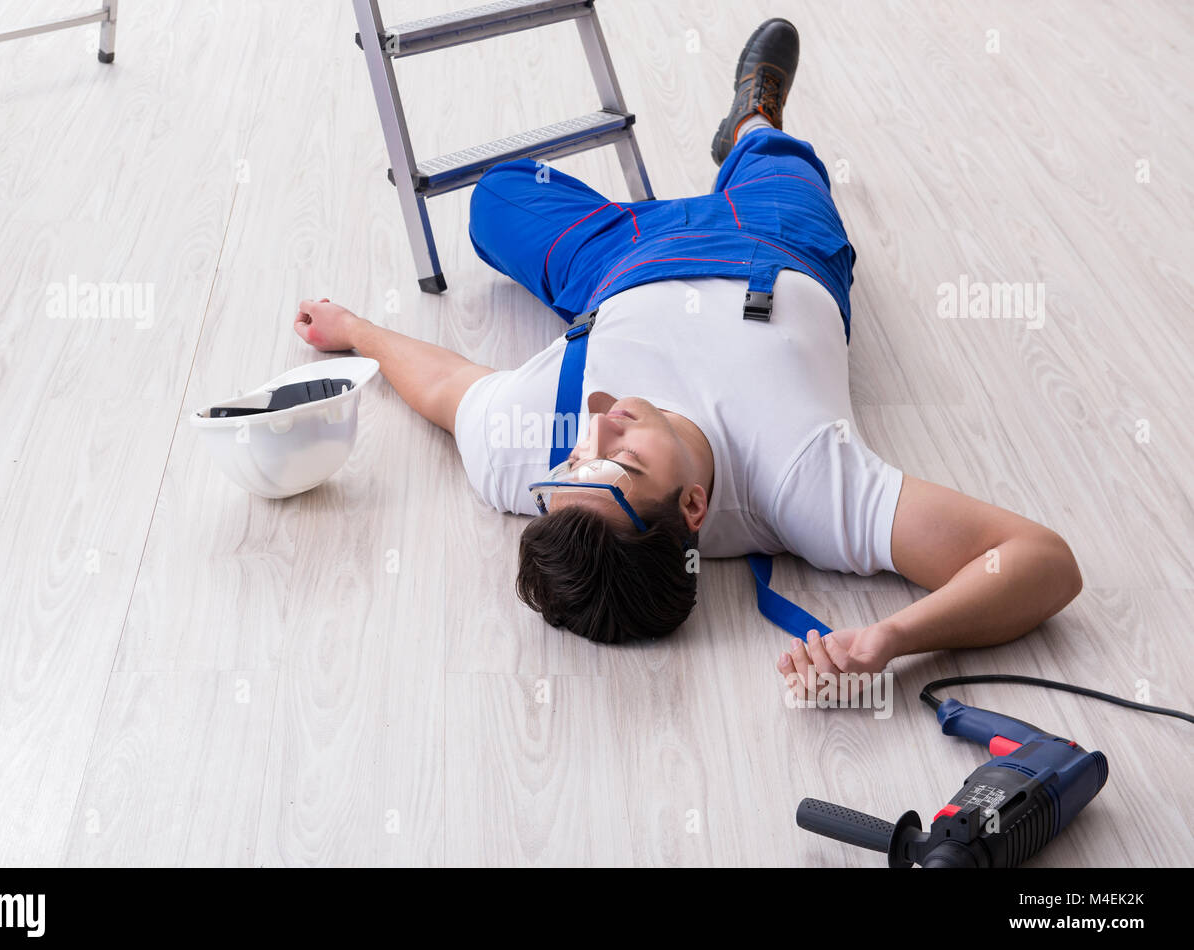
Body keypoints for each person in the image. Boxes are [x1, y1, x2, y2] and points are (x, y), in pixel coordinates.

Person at [294, 18, 1081, 693]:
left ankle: (654, 203)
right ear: (696, 508)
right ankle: (752, 124)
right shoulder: (801, 482)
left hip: (623, 262)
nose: (598, 427)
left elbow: (448, 388)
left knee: (496, 198)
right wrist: (888, 640)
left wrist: (357, 332)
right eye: (625, 461)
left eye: (576, 462)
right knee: (779, 162)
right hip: (771, 239)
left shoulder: (525, 458)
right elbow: (1042, 561)